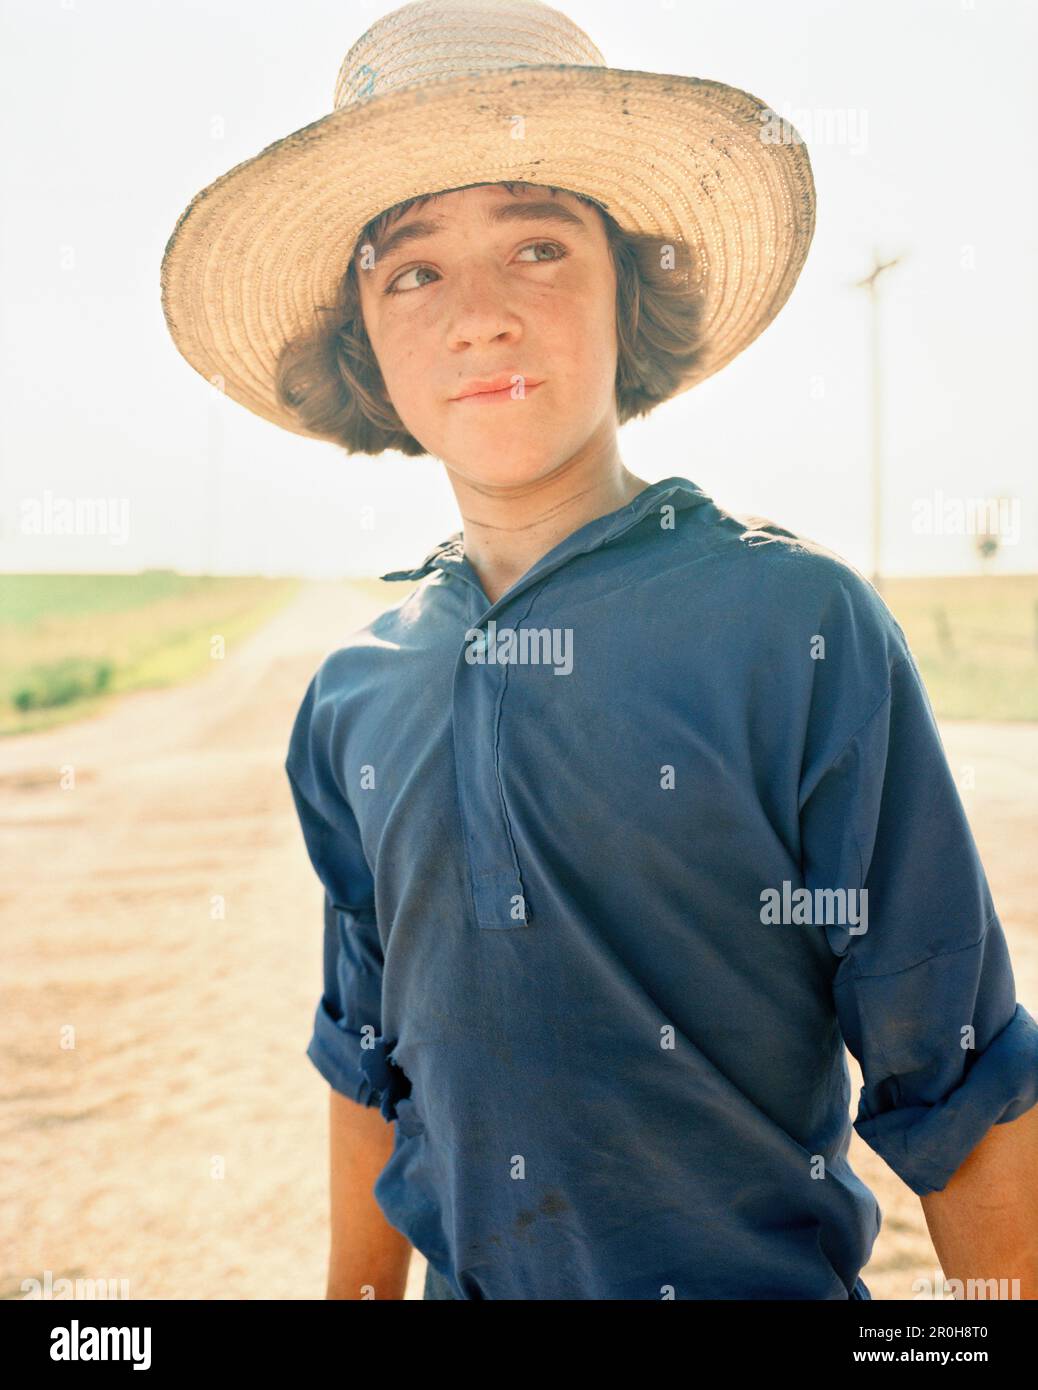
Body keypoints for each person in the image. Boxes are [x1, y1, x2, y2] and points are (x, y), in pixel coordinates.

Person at [160, 0, 1038, 1301]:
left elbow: (956, 1078)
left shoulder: (789, 625)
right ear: (364, 340)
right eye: (412, 269)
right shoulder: (355, 690)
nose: (478, 316)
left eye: (535, 244)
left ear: (633, 289)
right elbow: (369, 1063)